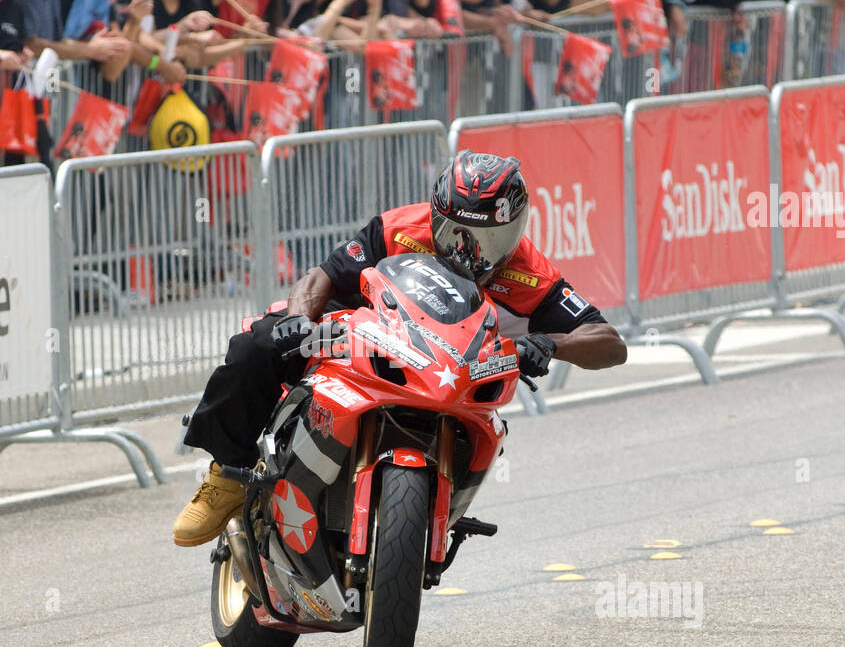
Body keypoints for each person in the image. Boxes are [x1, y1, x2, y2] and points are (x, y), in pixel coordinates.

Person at [172, 151, 628, 547]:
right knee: (258, 343)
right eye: (455, 233)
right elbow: (323, 275)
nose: (469, 252)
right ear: (436, 216)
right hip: (365, 333)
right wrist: (296, 320)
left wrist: (551, 343)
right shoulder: (400, 226)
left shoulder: (533, 275)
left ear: (515, 231)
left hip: (446, 372)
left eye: (488, 239)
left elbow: (609, 342)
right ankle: (226, 472)